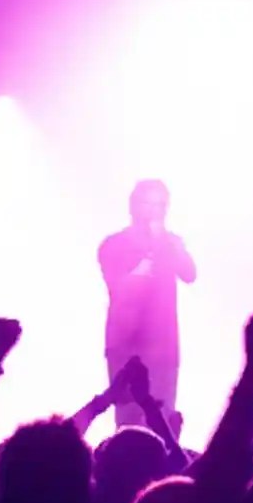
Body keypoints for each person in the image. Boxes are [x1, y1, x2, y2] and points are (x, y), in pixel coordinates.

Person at [98, 179, 197, 428]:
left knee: (161, 419)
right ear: (132, 207)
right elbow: (118, 286)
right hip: (125, 343)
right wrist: (143, 264)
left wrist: (167, 244)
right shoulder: (114, 244)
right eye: (148, 204)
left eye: (160, 205)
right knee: (129, 421)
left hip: (164, 346)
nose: (154, 211)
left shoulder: (171, 243)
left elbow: (189, 274)